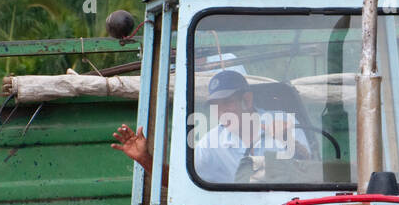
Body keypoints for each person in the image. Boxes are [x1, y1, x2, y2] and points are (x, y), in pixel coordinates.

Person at [111, 69, 310, 185]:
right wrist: (144, 158)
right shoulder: (210, 143)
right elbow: (177, 183)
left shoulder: (283, 122)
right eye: (216, 106)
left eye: (227, 103)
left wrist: (286, 139)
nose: (222, 111)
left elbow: (309, 168)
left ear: (247, 100)